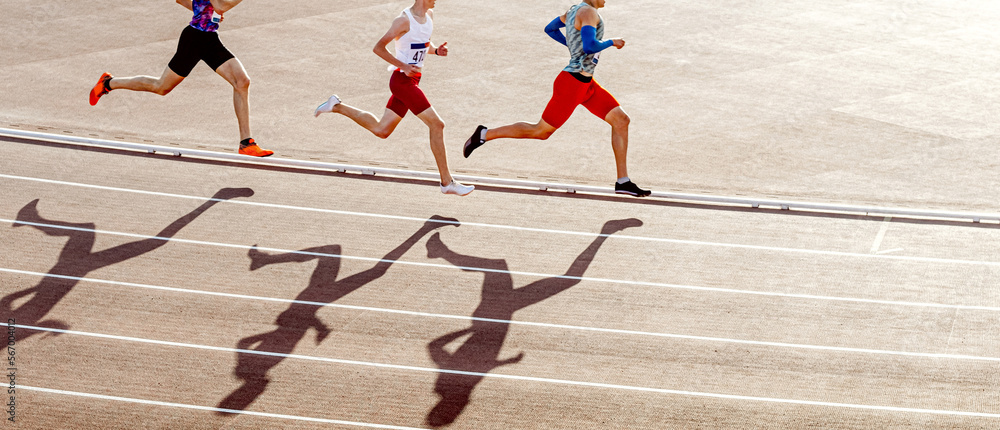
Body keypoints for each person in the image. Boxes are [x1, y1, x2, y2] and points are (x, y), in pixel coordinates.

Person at [462, 0, 650, 197]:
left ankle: (623, 181)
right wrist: (613, 41)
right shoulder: (588, 13)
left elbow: (550, 28)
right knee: (540, 131)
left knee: (621, 120)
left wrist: (570, 44)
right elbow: (590, 46)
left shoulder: (574, 10)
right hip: (572, 84)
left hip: (586, 84)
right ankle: (484, 134)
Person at [313, 0, 474, 196]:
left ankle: (336, 106)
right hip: (401, 82)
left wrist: (435, 51)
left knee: (382, 130)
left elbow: (421, 42)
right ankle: (446, 182)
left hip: (413, 81)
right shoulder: (402, 20)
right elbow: (379, 47)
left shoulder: (428, 15)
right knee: (437, 124)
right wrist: (404, 66)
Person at [88, 0, 273, 157]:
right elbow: (220, 5)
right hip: (193, 40)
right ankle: (108, 83)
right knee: (161, 87)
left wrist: (203, 10)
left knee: (242, 82)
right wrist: (213, 8)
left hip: (208, 40)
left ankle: (246, 143)